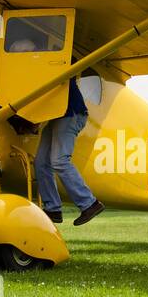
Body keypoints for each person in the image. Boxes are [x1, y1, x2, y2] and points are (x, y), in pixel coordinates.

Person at [34, 74, 104, 225]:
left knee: (59, 161)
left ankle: (89, 204)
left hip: (70, 113)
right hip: (55, 116)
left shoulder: (56, 65)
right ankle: (53, 209)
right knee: (41, 163)